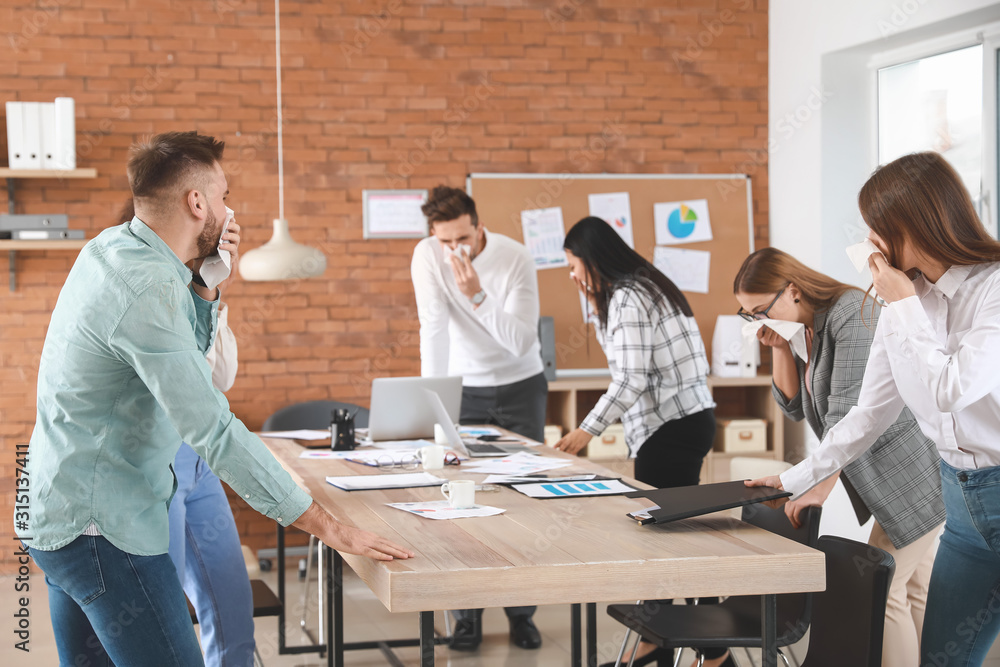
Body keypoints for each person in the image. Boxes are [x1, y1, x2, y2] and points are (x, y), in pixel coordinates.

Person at [17, 131, 412, 667]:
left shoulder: (113, 251)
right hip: (103, 531)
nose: (231, 211)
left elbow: (177, 360)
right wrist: (328, 527)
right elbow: (212, 426)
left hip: (58, 517)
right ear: (196, 202)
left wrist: (205, 288)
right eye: (223, 195)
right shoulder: (148, 287)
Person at [747, 151, 1000, 667]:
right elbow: (866, 415)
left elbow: (953, 388)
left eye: (876, 231)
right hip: (960, 502)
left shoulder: (990, 288)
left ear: (914, 225)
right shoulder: (896, 307)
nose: (869, 248)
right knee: (945, 657)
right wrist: (793, 478)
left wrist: (905, 303)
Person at [734, 247, 945, 667]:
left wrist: (814, 487)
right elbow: (796, 407)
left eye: (760, 311)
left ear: (791, 290)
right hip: (886, 477)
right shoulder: (806, 327)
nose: (757, 322)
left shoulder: (848, 314)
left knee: (882, 592)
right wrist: (778, 347)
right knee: (916, 591)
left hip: (907, 475)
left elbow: (848, 417)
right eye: (749, 316)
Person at [554, 216, 720, 667]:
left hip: (670, 426)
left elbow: (629, 378)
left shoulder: (629, 296)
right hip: (685, 421)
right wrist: (591, 297)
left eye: (574, 266)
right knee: (670, 536)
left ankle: (710, 649)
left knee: (667, 540)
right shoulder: (646, 285)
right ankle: (660, 645)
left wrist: (585, 430)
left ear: (593, 259)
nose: (571, 276)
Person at [411, 184, 546, 651]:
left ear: (478, 225)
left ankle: (521, 613)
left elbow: (521, 342)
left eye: (463, 239)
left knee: (520, 498)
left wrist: (477, 294)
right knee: (461, 502)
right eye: (446, 242)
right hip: (464, 388)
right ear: (434, 235)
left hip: (520, 384)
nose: (455, 251)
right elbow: (434, 329)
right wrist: (437, 411)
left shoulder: (515, 258)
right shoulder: (427, 255)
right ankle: (466, 616)